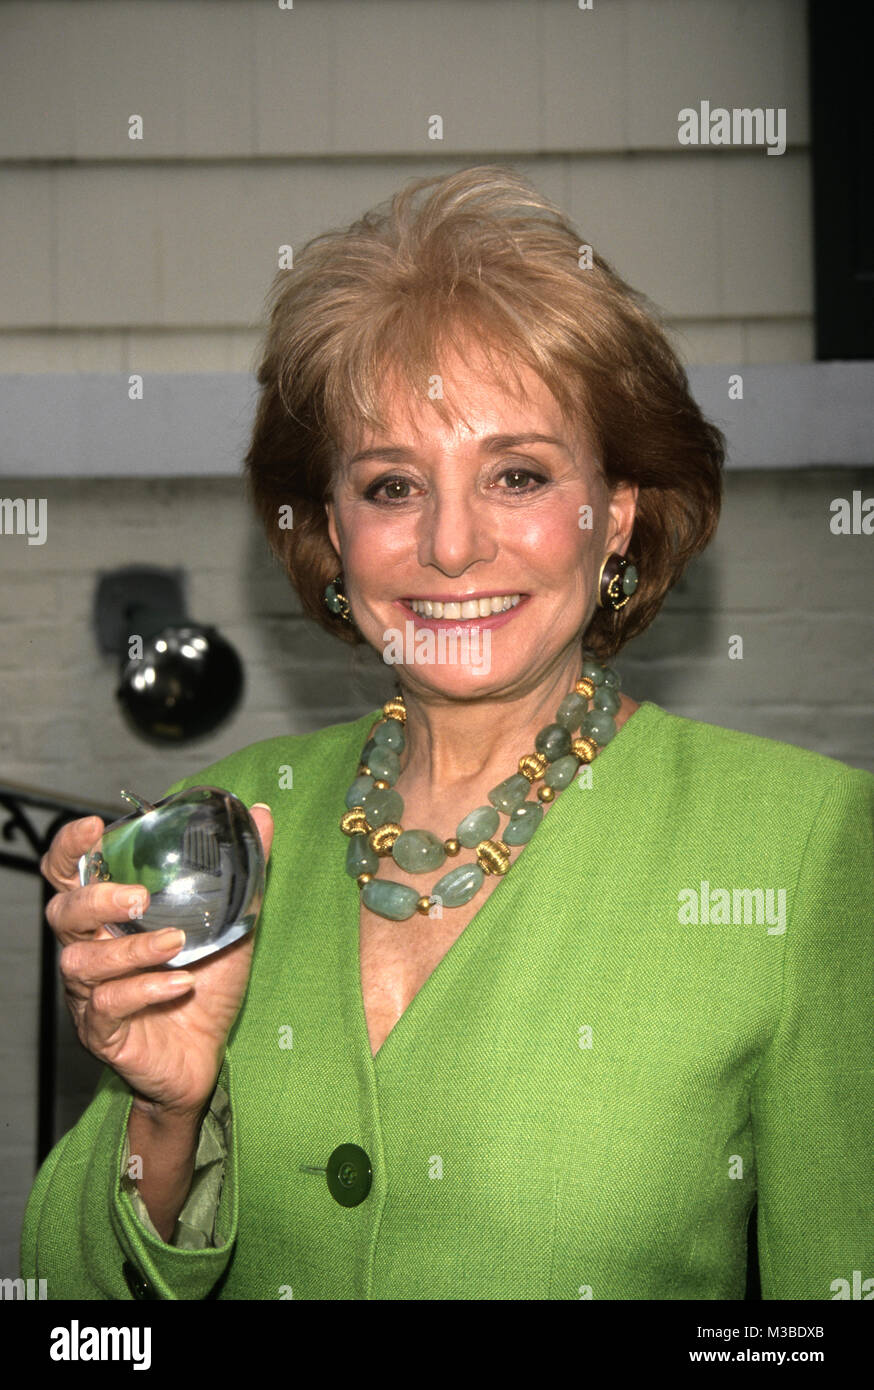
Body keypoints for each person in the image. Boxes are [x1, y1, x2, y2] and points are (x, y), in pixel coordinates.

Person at [22, 167, 873, 1301]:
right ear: (333, 528)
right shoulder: (223, 821)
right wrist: (164, 1114)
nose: (452, 545)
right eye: (390, 486)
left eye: (517, 473)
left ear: (613, 511)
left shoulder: (805, 846)